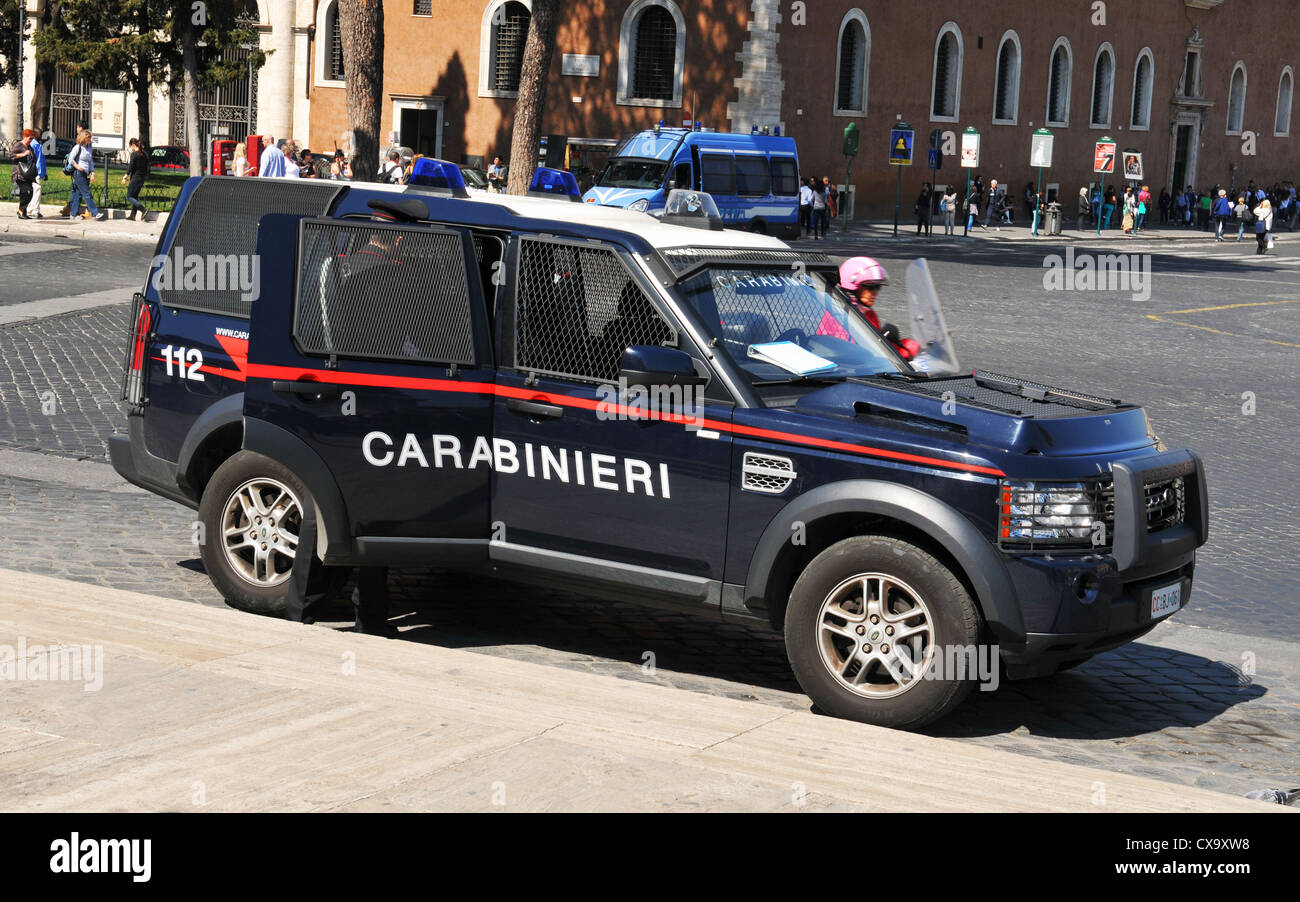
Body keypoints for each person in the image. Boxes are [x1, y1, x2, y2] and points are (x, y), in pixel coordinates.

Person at [832, 257, 920, 360]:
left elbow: (878, 345)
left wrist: (910, 347)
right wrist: (904, 352)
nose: (875, 292)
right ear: (853, 287)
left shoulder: (868, 314)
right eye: (870, 287)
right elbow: (865, 353)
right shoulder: (839, 317)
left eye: (877, 287)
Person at [67, 130, 106, 221]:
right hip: (79, 173)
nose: (90, 138)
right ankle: (95, 213)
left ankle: (73, 214)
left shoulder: (89, 148)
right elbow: (71, 159)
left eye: (90, 137)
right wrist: (78, 167)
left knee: (77, 194)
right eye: (88, 137)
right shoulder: (78, 147)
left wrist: (92, 172)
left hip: (85, 173)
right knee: (87, 193)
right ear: (83, 137)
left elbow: (90, 161)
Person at [119, 138, 149, 221]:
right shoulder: (145, 154)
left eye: (130, 146)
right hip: (142, 178)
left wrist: (125, 177)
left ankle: (143, 209)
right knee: (135, 196)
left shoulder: (134, 154)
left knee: (129, 196)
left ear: (133, 145)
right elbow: (147, 167)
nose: (130, 148)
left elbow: (130, 167)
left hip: (135, 178)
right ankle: (133, 216)